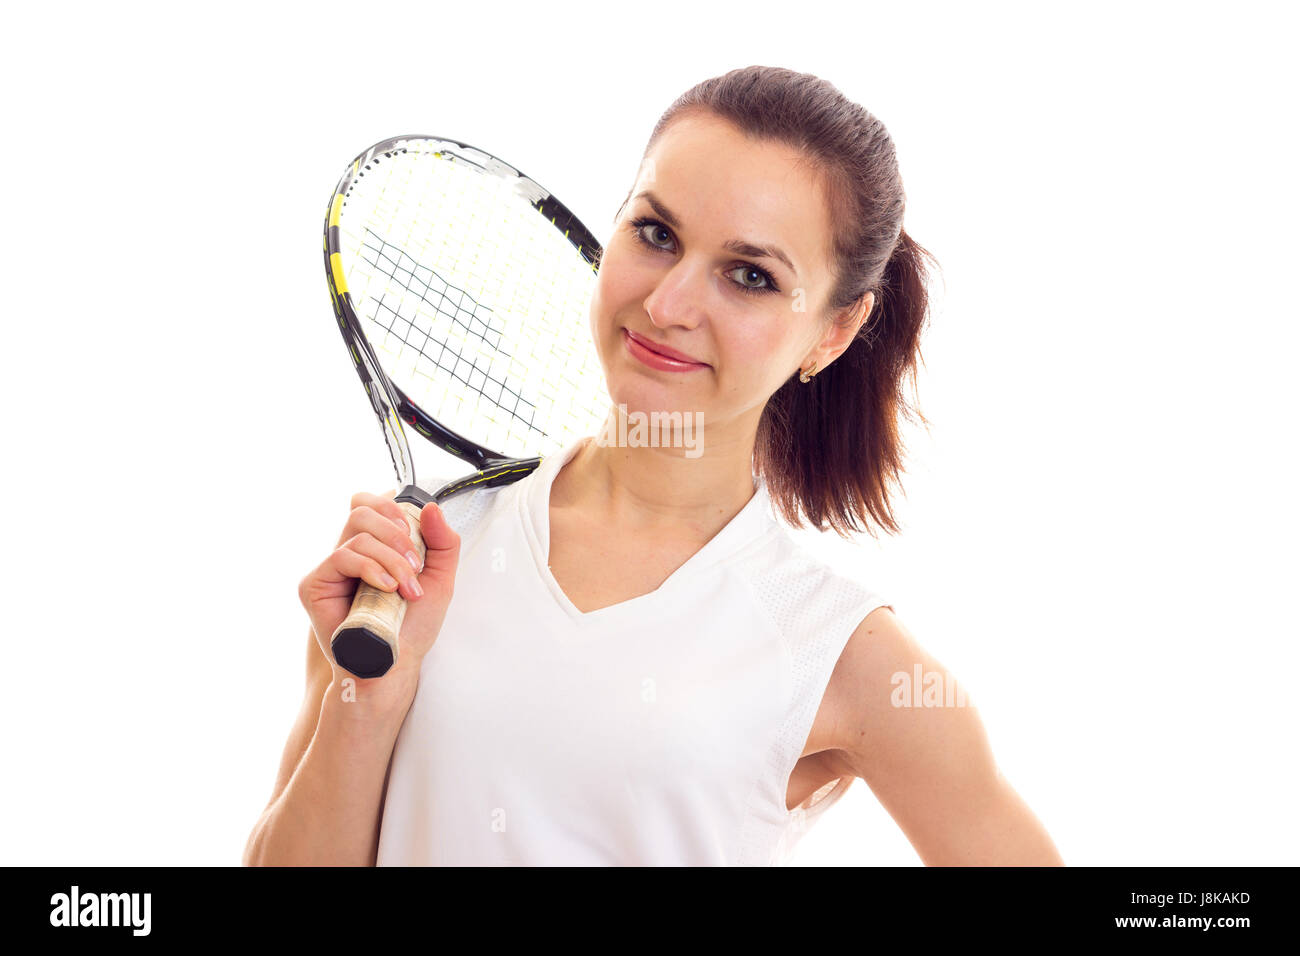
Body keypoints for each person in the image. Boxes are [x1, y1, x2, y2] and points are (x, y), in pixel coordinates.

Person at [243, 65, 1064, 866]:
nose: (668, 306)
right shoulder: (419, 549)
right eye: (656, 233)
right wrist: (365, 704)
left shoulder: (836, 649)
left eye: (750, 276)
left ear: (834, 332)